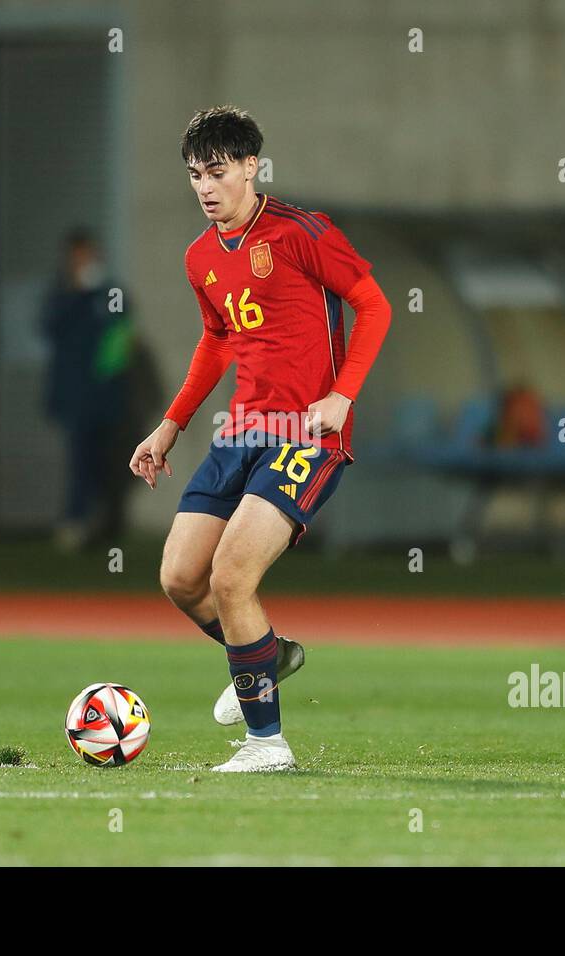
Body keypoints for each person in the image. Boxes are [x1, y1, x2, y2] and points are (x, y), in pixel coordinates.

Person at [128, 105, 392, 772]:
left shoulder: (302, 233)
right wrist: (171, 423)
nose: (206, 188)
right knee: (181, 578)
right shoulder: (199, 258)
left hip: (307, 434)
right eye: (194, 175)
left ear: (251, 167)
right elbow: (219, 339)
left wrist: (343, 394)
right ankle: (265, 656)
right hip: (243, 429)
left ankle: (267, 743)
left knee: (232, 576)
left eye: (217, 172)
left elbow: (374, 304)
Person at [42, 229, 131, 551]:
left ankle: (97, 521)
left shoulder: (110, 294)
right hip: (73, 395)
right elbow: (48, 327)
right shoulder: (61, 293)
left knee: (102, 462)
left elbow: (121, 335)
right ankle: (76, 520)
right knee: (78, 458)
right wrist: (76, 294)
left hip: (103, 397)